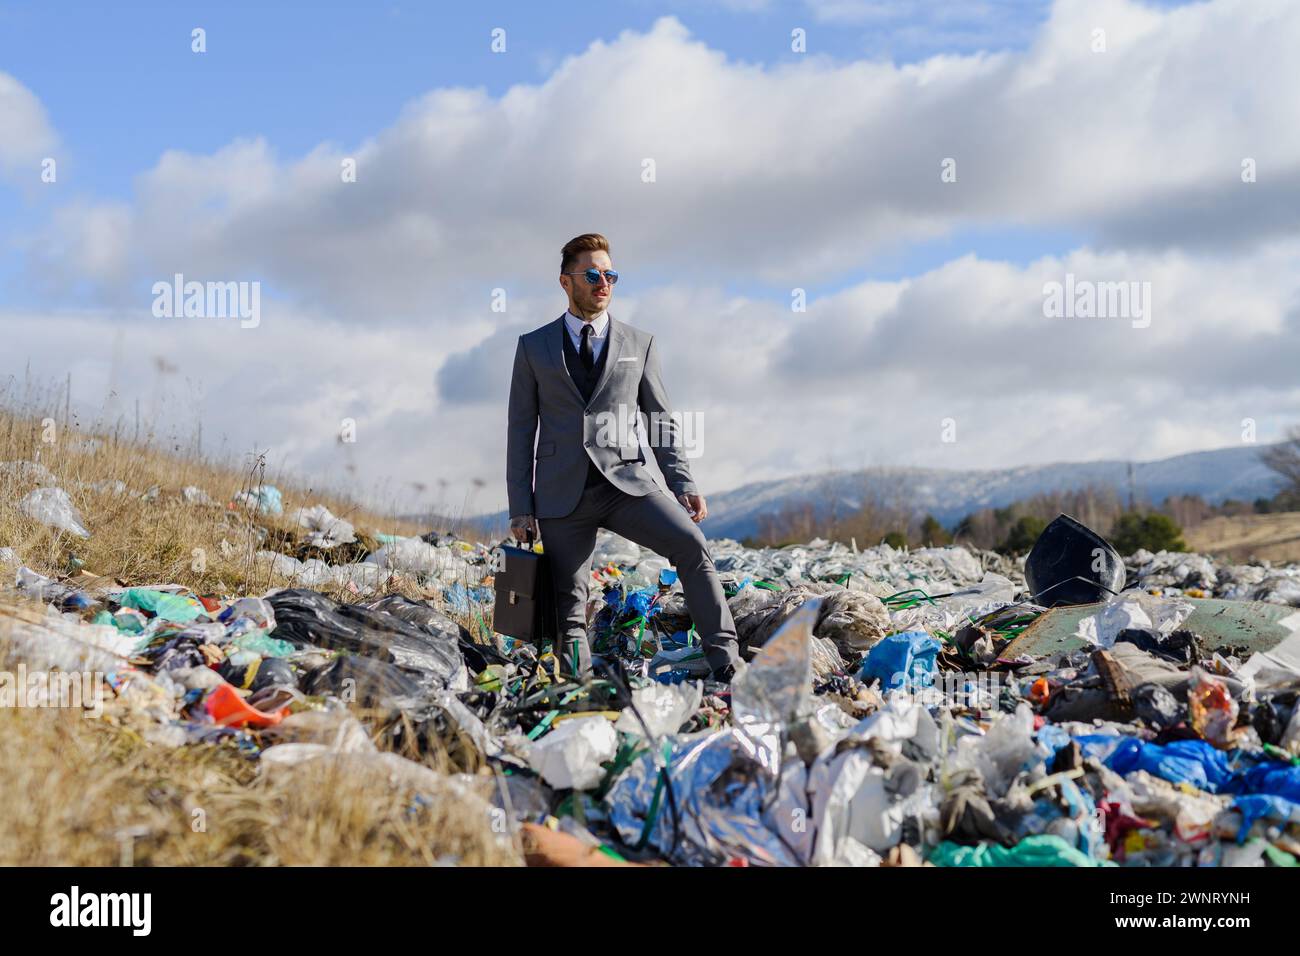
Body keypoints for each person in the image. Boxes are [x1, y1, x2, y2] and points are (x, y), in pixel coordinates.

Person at [505, 232, 740, 682]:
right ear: (565, 282)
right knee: (569, 607)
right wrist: (521, 506)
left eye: (610, 274)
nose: (603, 282)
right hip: (560, 496)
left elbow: (660, 421)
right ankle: (581, 690)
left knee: (692, 546)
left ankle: (728, 665)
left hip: (626, 485)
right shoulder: (533, 348)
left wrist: (682, 483)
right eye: (591, 274)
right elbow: (520, 430)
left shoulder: (639, 343)